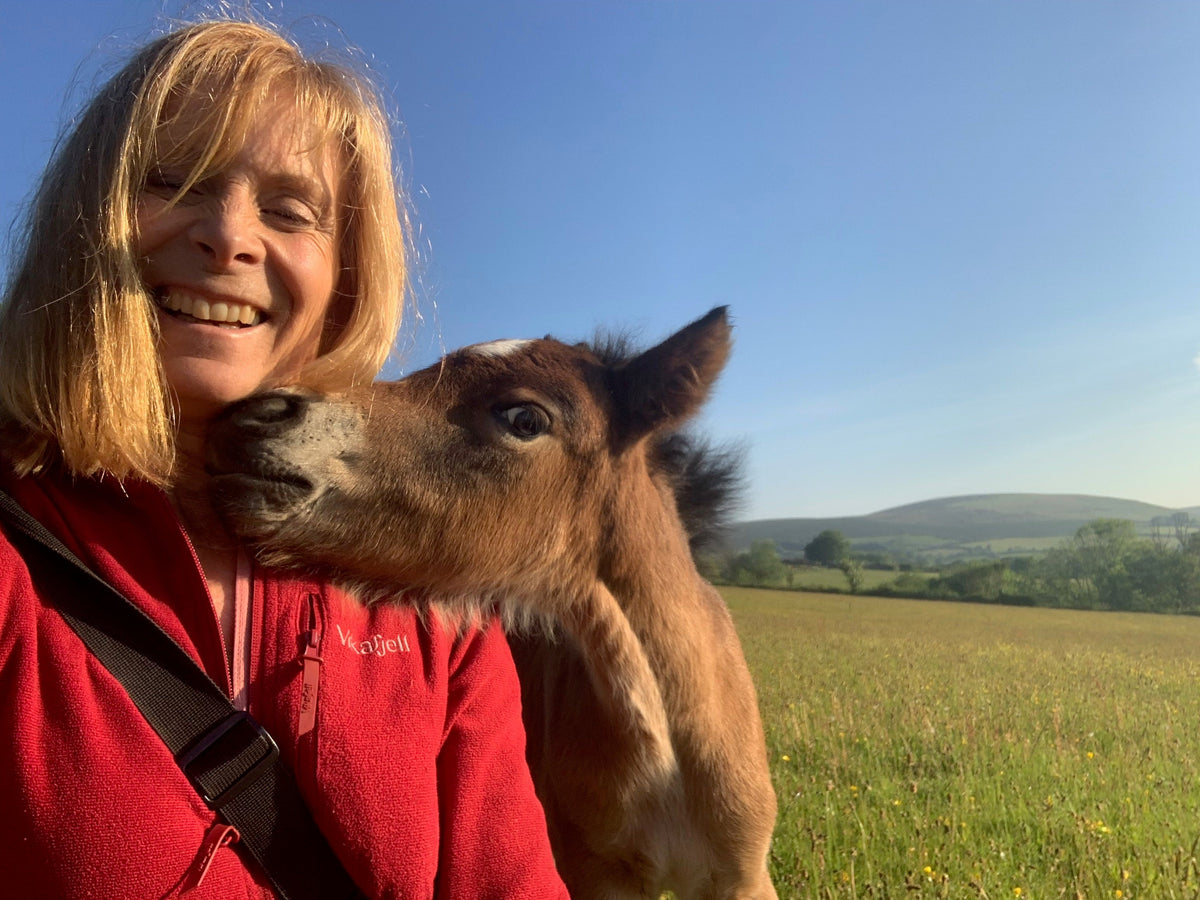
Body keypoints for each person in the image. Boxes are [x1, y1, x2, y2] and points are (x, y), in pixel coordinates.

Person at [0, 16, 568, 899]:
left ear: (342, 277)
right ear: (87, 219)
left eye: (288, 209)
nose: (230, 237)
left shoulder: (434, 604)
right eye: (173, 180)